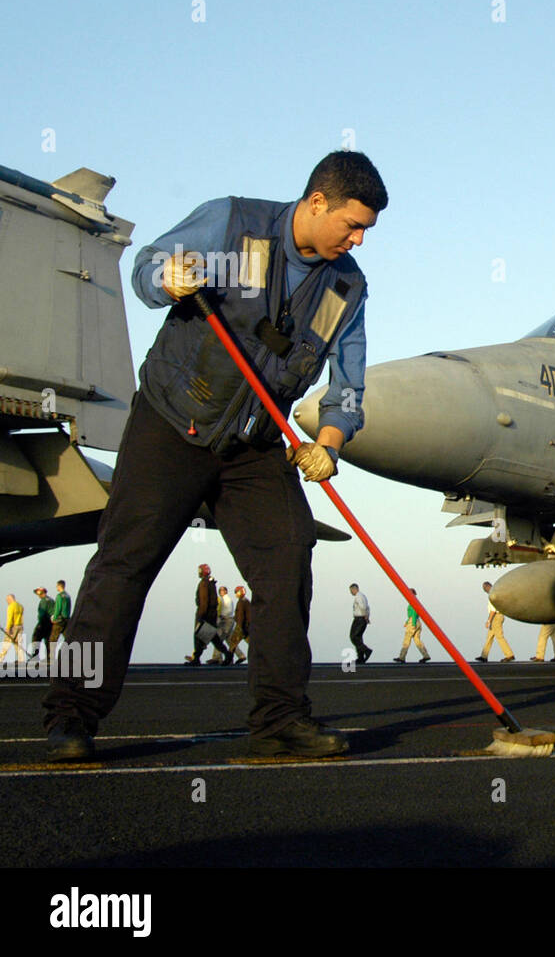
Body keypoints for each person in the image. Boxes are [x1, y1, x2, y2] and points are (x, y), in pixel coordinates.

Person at [42, 151, 387, 762]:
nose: (358, 240)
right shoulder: (232, 224)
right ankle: (71, 717)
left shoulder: (347, 288)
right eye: (352, 225)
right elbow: (148, 268)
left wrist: (329, 443)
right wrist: (165, 279)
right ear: (316, 204)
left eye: (365, 231)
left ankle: (279, 721)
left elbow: (348, 386)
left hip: (253, 446)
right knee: (122, 566)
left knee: (288, 555)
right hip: (172, 425)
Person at [186, 564, 231, 666]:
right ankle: (227, 654)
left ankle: (196, 658)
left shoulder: (204, 583)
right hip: (211, 615)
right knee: (213, 637)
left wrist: (201, 616)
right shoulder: (211, 583)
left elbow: (204, 601)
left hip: (205, 615)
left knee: (199, 636)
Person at [477, 581, 515, 662]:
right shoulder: (497, 593)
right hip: (497, 616)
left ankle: (509, 654)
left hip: (496, 617)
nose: (484, 590)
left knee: (499, 636)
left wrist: (488, 621)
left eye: (484, 588)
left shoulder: (493, 595)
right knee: (489, 637)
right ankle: (484, 655)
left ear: (488, 587)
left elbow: (493, 610)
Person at [394, 588, 431, 663]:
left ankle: (402, 657)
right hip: (417, 622)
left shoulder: (413, 602)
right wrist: (408, 622)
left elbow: (414, 613)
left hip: (413, 622)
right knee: (417, 640)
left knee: (407, 639)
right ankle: (425, 655)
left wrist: (412, 623)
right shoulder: (416, 602)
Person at [209, 585, 236, 663]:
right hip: (227, 620)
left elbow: (228, 611)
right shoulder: (223, 599)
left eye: (222, 590)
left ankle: (217, 657)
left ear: (226, 591)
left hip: (226, 620)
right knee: (229, 640)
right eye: (220, 591)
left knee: (219, 638)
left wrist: (220, 616)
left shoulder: (226, 600)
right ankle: (239, 655)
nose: (221, 592)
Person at [349, 583, 373, 664]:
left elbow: (363, 607)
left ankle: (366, 650)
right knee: (358, 637)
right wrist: (367, 616)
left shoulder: (358, 596)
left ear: (354, 589)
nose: (351, 592)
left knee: (354, 637)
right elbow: (368, 607)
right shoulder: (363, 596)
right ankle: (360, 657)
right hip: (362, 618)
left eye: (351, 590)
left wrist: (365, 616)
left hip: (359, 618)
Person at [30, 587, 55, 663]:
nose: (38, 595)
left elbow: (42, 613)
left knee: (36, 637)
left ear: (42, 592)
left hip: (44, 622)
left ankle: (35, 656)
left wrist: (40, 623)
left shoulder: (44, 601)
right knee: (48, 640)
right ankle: (49, 657)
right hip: (51, 623)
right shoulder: (51, 600)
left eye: (38, 593)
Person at [1, 594, 27, 662]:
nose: (7, 602)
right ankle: (21, 660)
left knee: (6, 643)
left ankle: (0, 658)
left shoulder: (11, 606)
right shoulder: (20, 606)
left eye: (7, 600)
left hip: (13, 627)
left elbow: (10, 618)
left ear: (10, 599)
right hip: (20, 626)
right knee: (18, 644)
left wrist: (8, 629)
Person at [227, 586, 250, 664]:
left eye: (236, 592)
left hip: (241, 627)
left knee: (232, 643)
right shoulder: (246, 601)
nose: (236, 594)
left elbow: (241, 616)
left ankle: (228, 660)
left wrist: (240, 627)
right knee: (253, 644)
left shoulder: (241, 602)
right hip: (247, 626)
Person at [51, 580, 72, 645]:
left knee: (53, 639)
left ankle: (51, 655)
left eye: (57, 586)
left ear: (60, 586)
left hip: (60, 620)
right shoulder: (68, 596)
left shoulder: (59, 596)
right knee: (68, 637)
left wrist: (54, 618)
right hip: (67, 619)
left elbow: (58, 608)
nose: (56, 587)